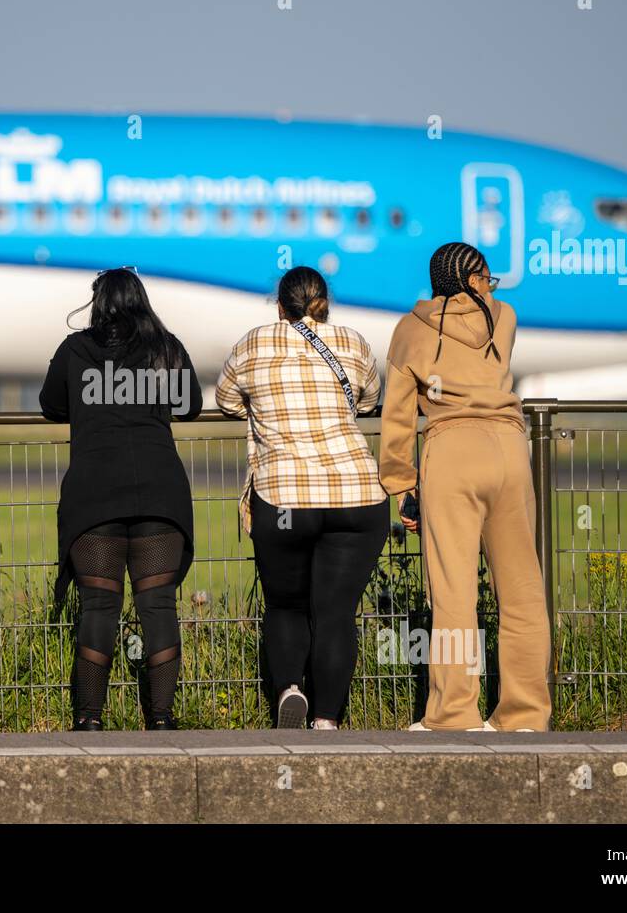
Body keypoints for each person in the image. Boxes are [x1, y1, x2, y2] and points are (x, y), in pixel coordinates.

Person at [378, 242, 551, 731]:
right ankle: (525, 715)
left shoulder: (411, 330)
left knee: (453, 594)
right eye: (488, 278)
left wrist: (400, 483)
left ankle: (455, 714)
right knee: (521, 591)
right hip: (510, 449)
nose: (492, 286)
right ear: (474, 279)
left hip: (451, 450)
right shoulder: (505, 318)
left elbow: (396, 416)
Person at [216, 266, 390, 730]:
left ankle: (291, 687)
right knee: (335, 613)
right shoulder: (352, 342)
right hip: (356, 494)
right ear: (325, 303)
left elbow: (226, 399)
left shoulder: (254, 343)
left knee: (287, 605)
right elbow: (369, 400)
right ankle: (328, 720)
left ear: (279, 304)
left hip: (285, 497)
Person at [40, 267, 202, 731]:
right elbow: (189, 404)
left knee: (99, 608)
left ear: (97, 304)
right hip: (160, 493)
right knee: (158, 607)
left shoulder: (75, 350)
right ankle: (163, 720)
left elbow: (51, 404)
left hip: (94, 497)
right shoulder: (165, 349)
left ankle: (89, 719)